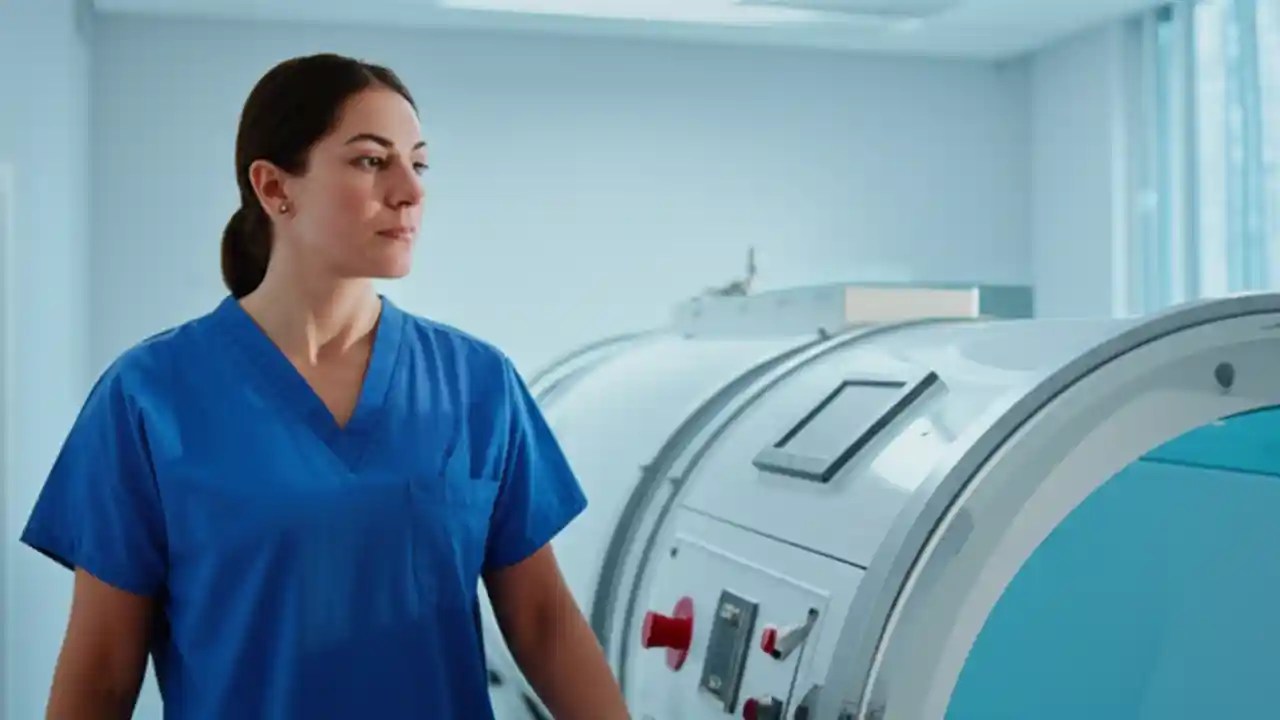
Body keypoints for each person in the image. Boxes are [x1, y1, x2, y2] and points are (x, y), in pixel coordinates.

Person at [20, 53, 629, 719]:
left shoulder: (478, 384)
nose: (410, 190)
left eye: (418, 163)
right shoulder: (148, 396)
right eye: (372, 161)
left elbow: (542, 622)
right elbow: (103, 669)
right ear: (275, 188)